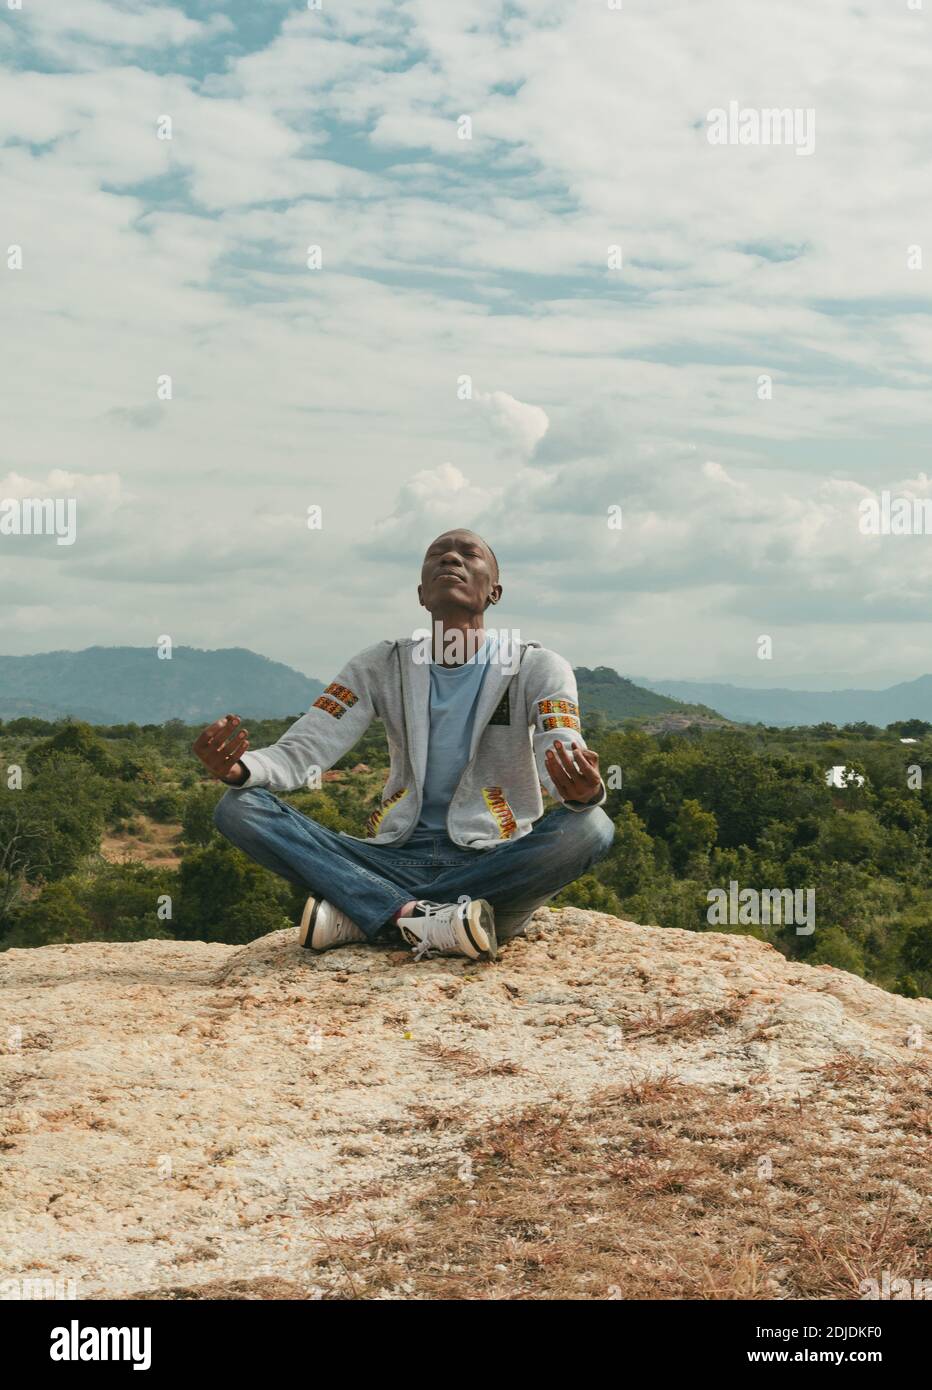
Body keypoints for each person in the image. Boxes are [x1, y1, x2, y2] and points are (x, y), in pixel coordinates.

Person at [193, 529, 614, 962]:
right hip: (390, 856)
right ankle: (436, 918)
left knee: (592, 826)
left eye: (469, 554)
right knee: (238, 807)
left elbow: (560, 742)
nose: (451, 557)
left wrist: (580, 791)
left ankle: (372, 912)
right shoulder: (380, 664)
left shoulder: (535, 666)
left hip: (492, 858)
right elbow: (306, 746)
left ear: (495, 591)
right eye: (437, 554)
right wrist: (240, 768)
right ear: (420, 594)